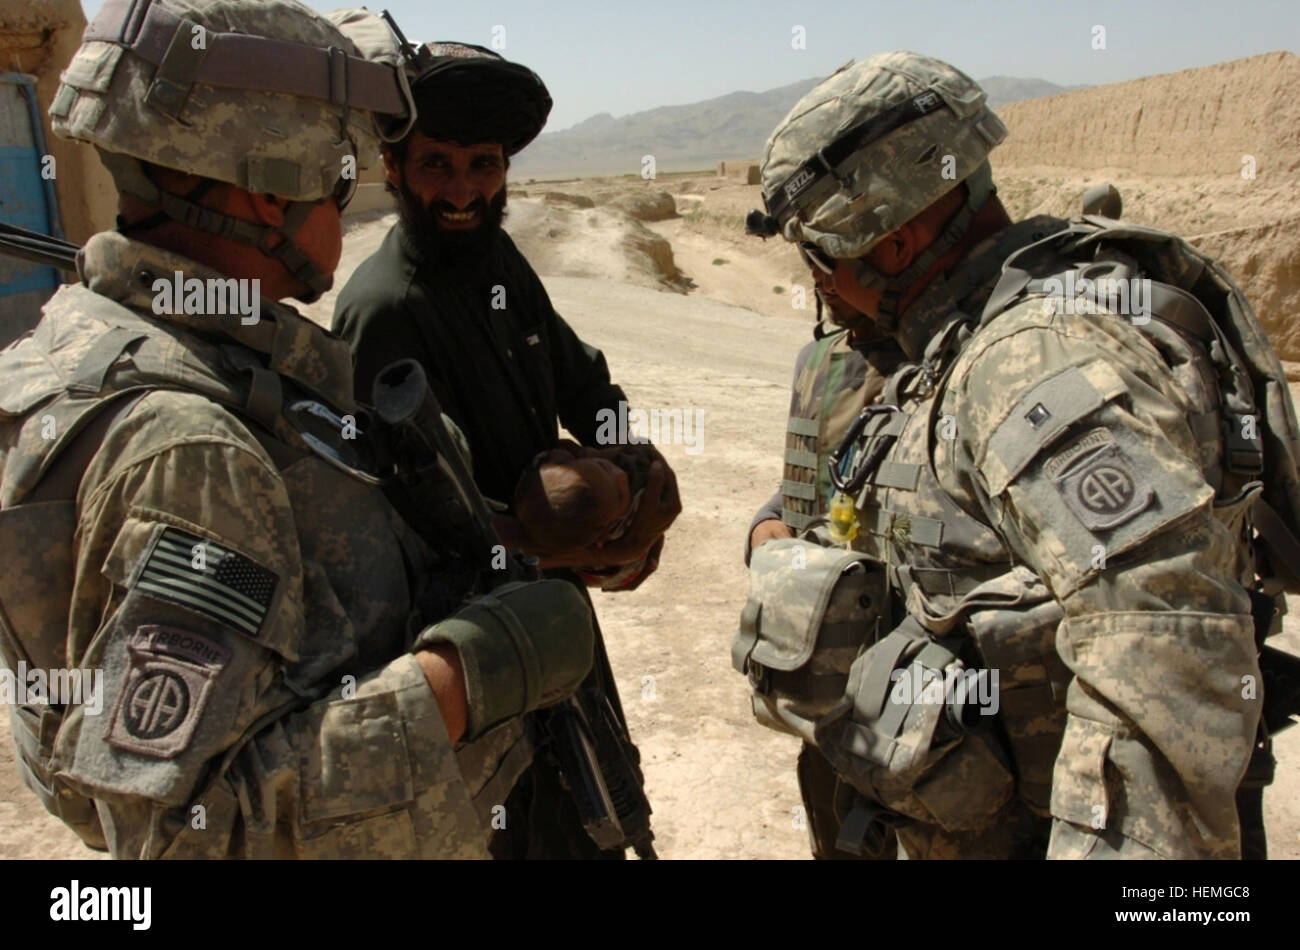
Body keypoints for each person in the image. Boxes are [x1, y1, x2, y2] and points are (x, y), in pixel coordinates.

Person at [0, 0, 595, 859]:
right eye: (341, 177)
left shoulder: (102, 345)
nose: (350, 209)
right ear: (260, 183)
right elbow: (181, 832)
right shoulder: (192, 449)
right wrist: (465, 678)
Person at [735, 51, 1292, 859]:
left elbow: (1168, 635)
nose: (822, 291)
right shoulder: (968, 340)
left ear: (893, 243)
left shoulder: (1027, 359)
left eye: (821, 259)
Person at [332, 42, 680, 859]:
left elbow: (585, 384)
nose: (463, 190)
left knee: (602, 813)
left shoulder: (499, 261)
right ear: (393, 166)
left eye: (482, 164)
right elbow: (386, 524)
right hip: (474, 649)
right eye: (437, 165)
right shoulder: (384, 310)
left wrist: (629, 481)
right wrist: (539, 539)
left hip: (556, 615)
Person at [743, 266, 903, 860]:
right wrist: (767, 524)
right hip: (831, 692)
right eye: (814, 267)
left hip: (923, 693)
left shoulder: (951, 357)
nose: (825, 282)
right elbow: (816, 481)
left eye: (841, 264)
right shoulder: (819, 360)